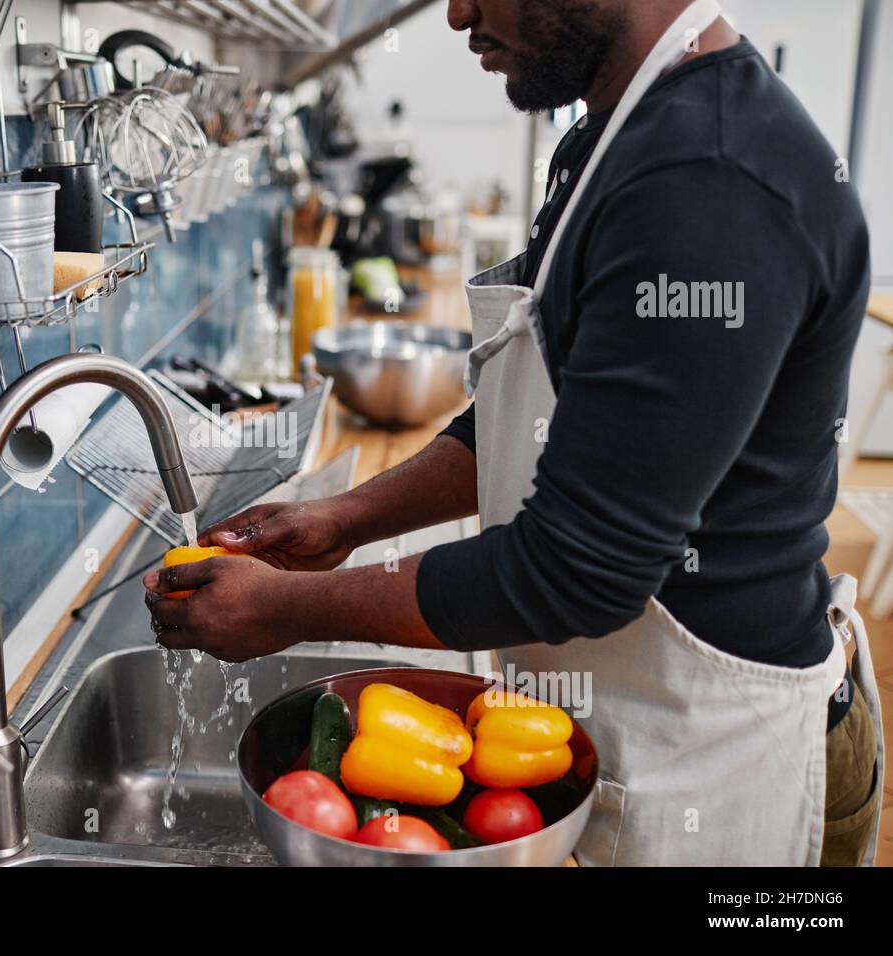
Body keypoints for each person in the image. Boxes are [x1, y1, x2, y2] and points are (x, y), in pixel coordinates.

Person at [144, 0, 882, 865]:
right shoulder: (607, 139)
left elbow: (579, 572)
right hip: (626, 732)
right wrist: (345, 522)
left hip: (719, 763)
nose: (457, 14)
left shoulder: (708, 180)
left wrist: (288, 611)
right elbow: (532, 418)